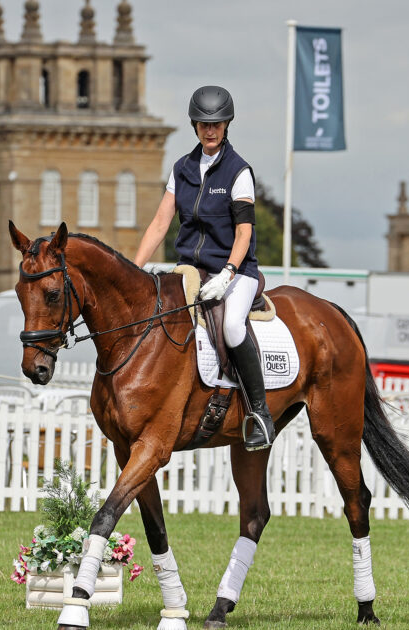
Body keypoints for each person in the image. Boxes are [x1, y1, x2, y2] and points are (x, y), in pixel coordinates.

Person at [133, 85, 275, 451]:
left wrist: (228, 271)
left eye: (216, 124)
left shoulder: (238, 171)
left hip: (235, 273)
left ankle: (260, 413)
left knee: (230, 326)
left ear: (227, 124)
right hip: (191, 271)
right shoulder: (181, 169)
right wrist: (134, 269)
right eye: (203, 124)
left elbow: (244, 232)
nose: (210, 131)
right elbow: (161, 224)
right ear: (194, 125)